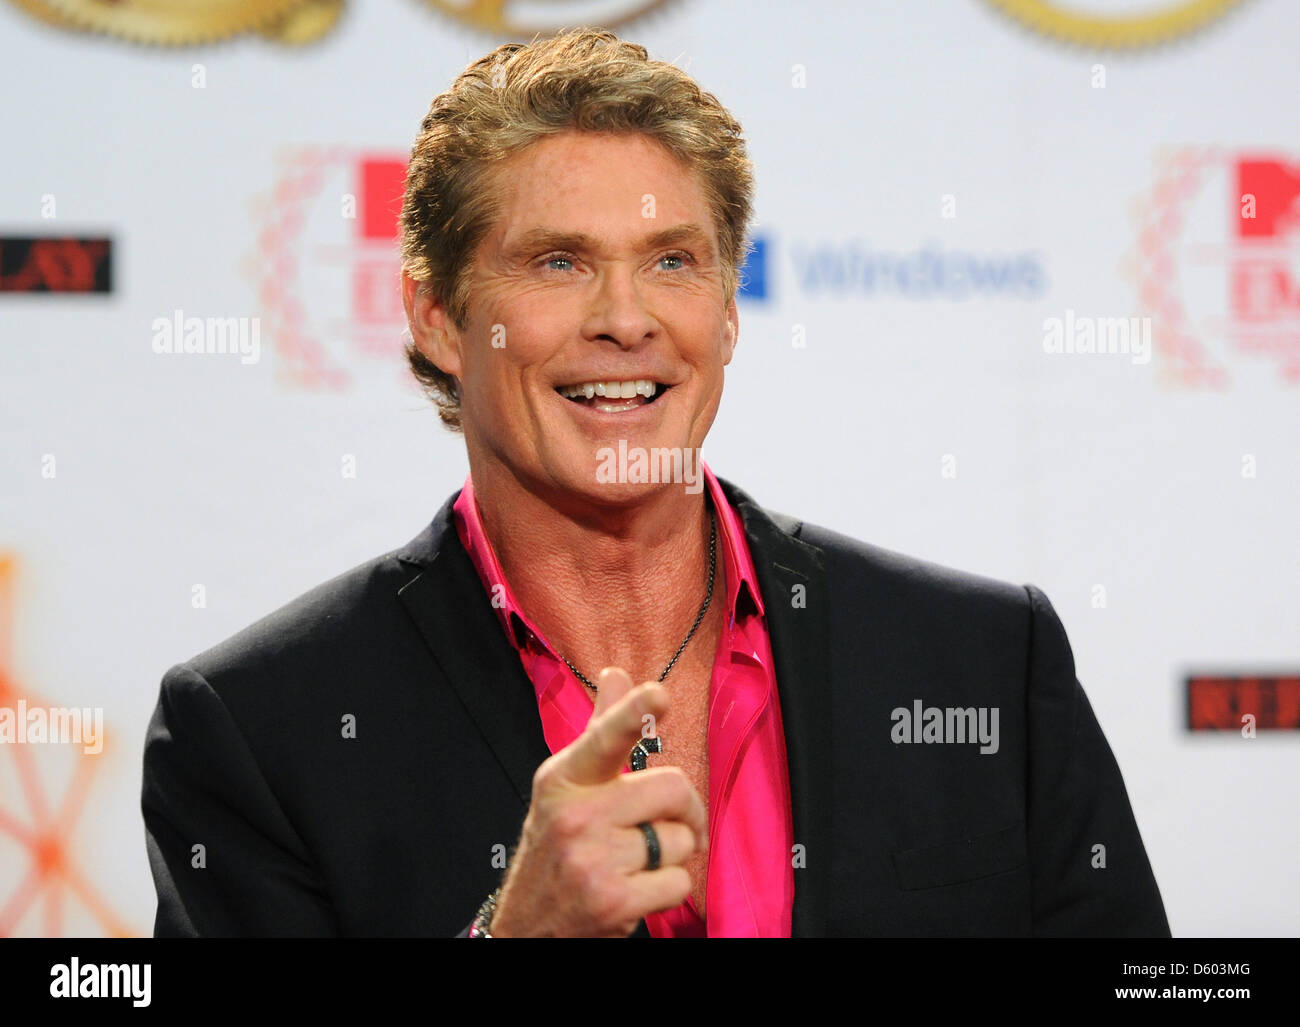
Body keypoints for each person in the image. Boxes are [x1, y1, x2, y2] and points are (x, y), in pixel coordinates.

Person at [142, 28, 1170, 938]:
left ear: (726, 311)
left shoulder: (980, 664)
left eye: (673, 262)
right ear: (438, 319)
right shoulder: (257, 731)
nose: (625, 318)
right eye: (557, 263)